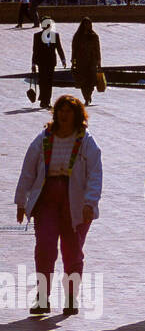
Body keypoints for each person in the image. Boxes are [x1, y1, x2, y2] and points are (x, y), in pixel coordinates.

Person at [14, 95, 102, 315]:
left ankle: (71, 297)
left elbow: (95, 174)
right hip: (47, 201)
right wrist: (21, 201)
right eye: (60, 110)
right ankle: (42, 297)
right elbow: (28, 170)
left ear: (77, 115)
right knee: (45, 247)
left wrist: (90, 202)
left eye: (68, 111)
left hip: (76, 203)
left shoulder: (86, 141)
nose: (63, 115)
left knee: (72, 251)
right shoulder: (44, 138)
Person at [31, 19, 67, 109]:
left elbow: (59, 48)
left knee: (49, 82)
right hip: (41, 62)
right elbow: (35, 50)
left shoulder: (54, 35)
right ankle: (43, 100)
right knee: (43, 81)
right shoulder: (37, 36)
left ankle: (47, 100)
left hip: (51, 62)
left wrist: (63, 59)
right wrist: (33, 64)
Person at [70, 17, 101, 106]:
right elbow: (74, 49)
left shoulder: (94, 36)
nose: (88, 26)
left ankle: (89, 95)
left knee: (91, 81)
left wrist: (99, 61)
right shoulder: (78, 36)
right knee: (83, 81)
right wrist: (73, 61)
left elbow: (97, 49)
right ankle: (86, 97)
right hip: (81, 61)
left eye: (89, 24)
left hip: (92, 61)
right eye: (86, 24)